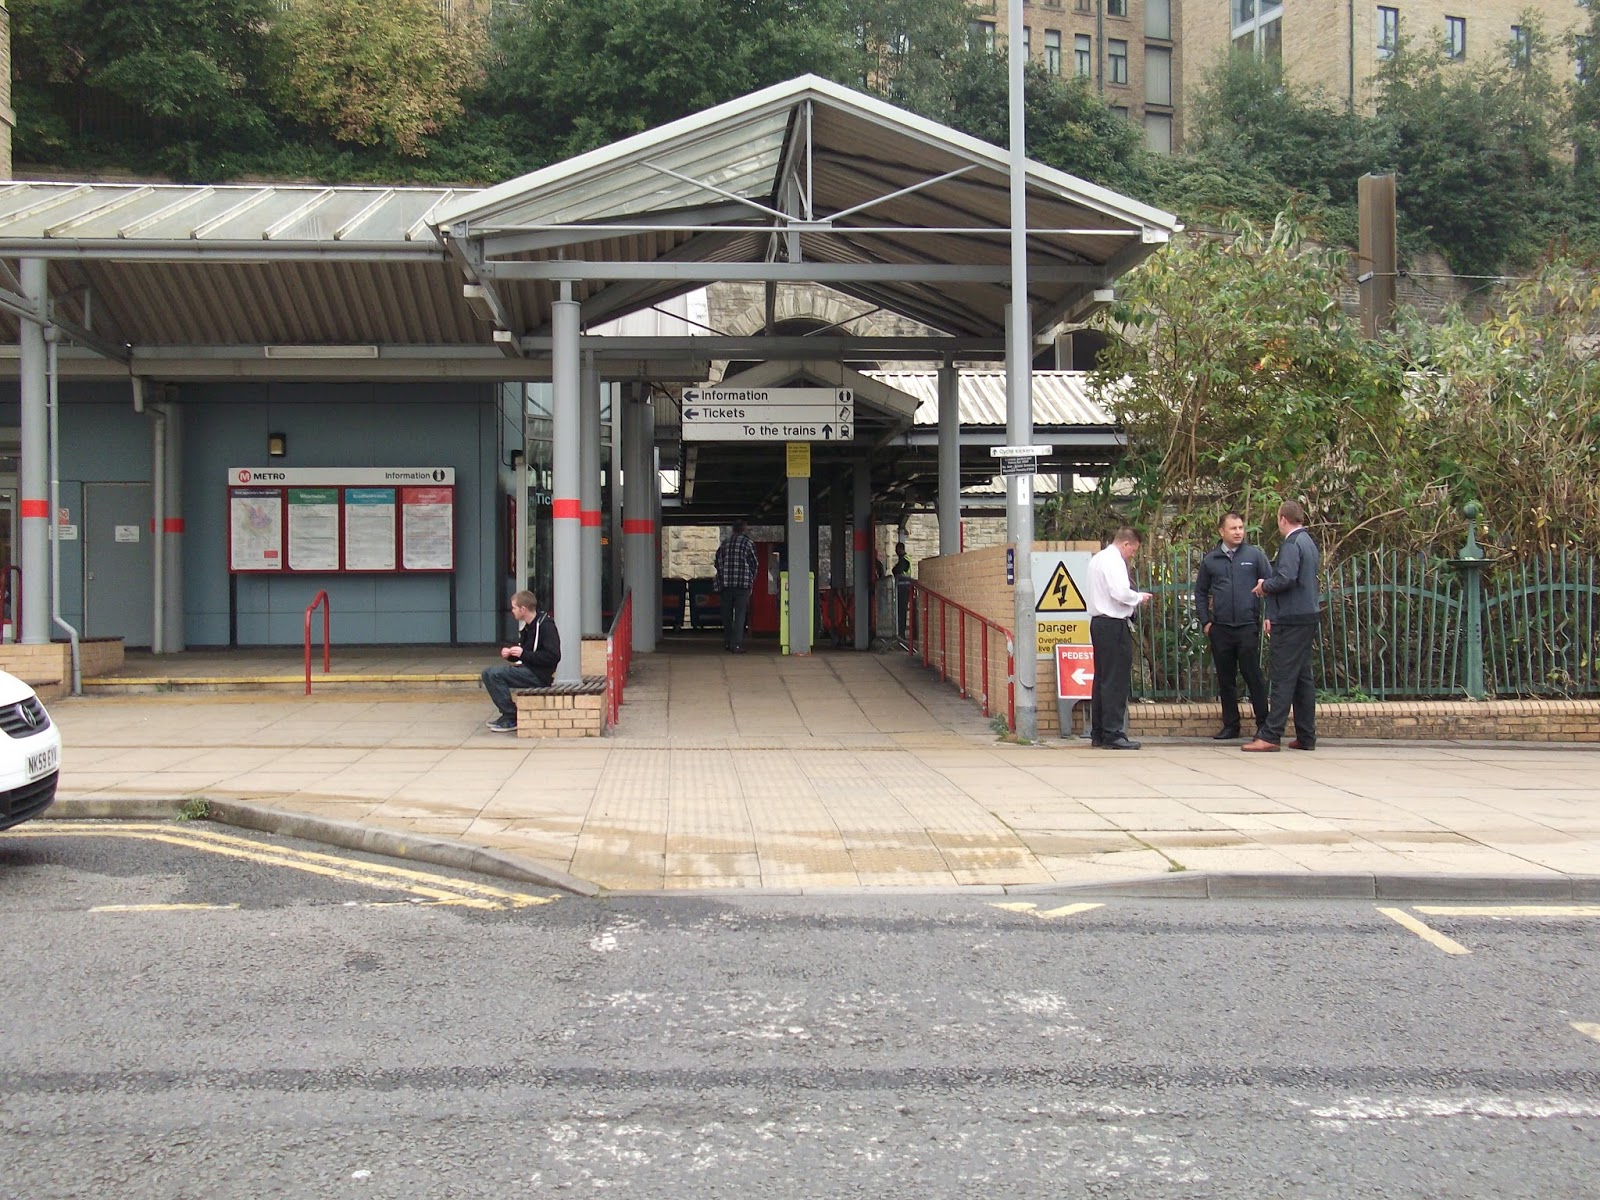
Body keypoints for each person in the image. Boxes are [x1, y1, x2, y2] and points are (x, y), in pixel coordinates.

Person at [1243, 501, 1322, 752]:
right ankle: (1306, 735)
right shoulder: (1308, 542)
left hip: (1290, 618)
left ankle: (1270, 734)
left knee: (1283, 676)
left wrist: (1264, 586)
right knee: (1302, 679)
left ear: (1283, 519)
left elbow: (1287, 578)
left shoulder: (1291, 544)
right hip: (1307, 614)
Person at [1193, 511, 1271, 741]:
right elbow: (1200, 591)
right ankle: (1231, 725)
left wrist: (1270, 616)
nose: (1238, 532)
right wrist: (1206, 621)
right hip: (1221, 629)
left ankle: (1264, 725)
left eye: (1240, 528)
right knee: (1225, 679)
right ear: (1221, 531)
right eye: (1233, 528)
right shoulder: (1211, 560)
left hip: (1247, 626)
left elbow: (1271, 586)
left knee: (1252, 675)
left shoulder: (1254, 555)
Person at [1086, 527, 1154, 750]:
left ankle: (1099, 732)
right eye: (1132, 550)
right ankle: (1114, 733)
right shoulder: (1114, 561)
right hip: (1113, 623)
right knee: (1115, 680)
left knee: (1102, 679)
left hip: (1099, 623)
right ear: (1126, 544)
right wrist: (1138, 597)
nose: (1132, 554)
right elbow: (1120, 592)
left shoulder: (1097, 559)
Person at [480, 590, 561, 732]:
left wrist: (523, 654)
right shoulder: (528, 628)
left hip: (539, 675)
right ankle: (508, 714)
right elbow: (525, 653)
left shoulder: (546, 626)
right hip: (528, 669)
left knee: (494, 674)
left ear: (523, 609)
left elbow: (553, 656)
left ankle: (511, 716)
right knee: (487, 673)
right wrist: (511, 655)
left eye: (514, 608)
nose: (512, 611)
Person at [714, 520, 758, 653]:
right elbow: (754, 563)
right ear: (744, 529)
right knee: (740, 615)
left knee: (726, 615)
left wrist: (723, 576)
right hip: (742, 585)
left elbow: (717, 562)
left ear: (733, 529)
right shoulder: (748, 544)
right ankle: (736, 644)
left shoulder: (725, 544)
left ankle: (727, 642)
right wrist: (751, 579)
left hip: (726, 585)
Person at [891, 541, 913, 639]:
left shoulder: (904, 560)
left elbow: (896, 570)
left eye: (896, 550)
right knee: (901, 611)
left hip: (903, 588)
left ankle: (901, 633)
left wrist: (895, 568)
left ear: (900, 549)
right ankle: (900, 632)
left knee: (902, 611)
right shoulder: (904, 559)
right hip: (903, 587)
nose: (896, 552)